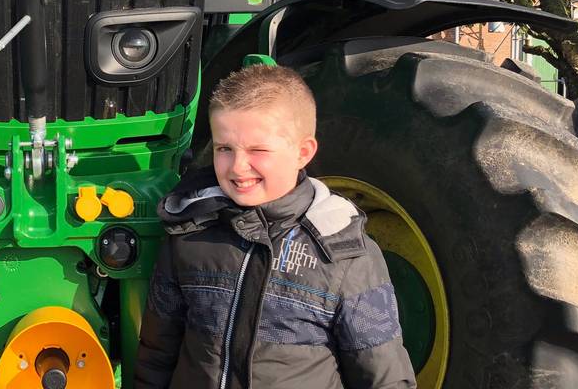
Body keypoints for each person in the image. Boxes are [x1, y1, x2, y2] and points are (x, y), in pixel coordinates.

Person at [134, 64, 417, 389]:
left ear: (303, 152)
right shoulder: (191, 231)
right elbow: (158, 351)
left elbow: (384, 375)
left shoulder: (344, 254)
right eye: (224, 148)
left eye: (258, 150)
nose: (238, 167)